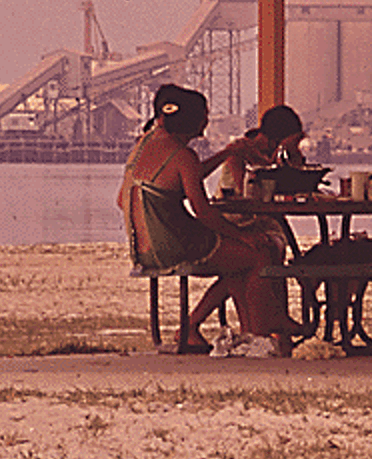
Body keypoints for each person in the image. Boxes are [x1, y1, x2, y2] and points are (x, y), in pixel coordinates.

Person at [117, 86, 299, 349]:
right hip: (177, 247)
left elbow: (122, 199)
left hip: (144, 249)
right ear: (192, 120)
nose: (207, 121)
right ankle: (260, 336)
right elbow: (203, 212)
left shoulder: (142, 147)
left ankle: (245, 331)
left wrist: (226, 153)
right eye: (204, 115)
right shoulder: (183, 156)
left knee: (238, 258)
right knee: (258, 252)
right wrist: (242, 235)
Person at [201, 104, 306, 197]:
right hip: (236, 215)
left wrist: (293, 154)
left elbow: (297, 184)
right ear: (277, 140)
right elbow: (248, 193)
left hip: (263, 214)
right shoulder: (239, 151)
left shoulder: (275, 155)